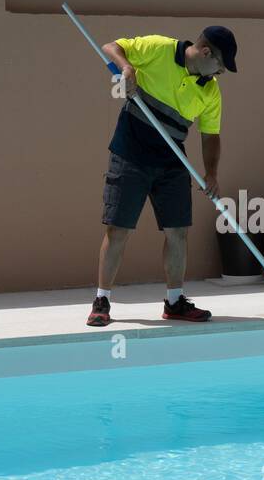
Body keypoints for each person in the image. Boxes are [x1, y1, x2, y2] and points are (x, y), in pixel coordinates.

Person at [86, 26, 238, 327]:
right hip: (130, 153)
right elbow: (110, 46)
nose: (219, 73)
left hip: (171, 160)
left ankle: (174, 302)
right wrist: (127, 68)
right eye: (220, 66)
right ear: (206, 52)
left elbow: (211, 136)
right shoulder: (159, 48)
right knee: (119, 229)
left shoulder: (210, 91)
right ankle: (102, 300)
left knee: (177, 231)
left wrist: (211, 173)